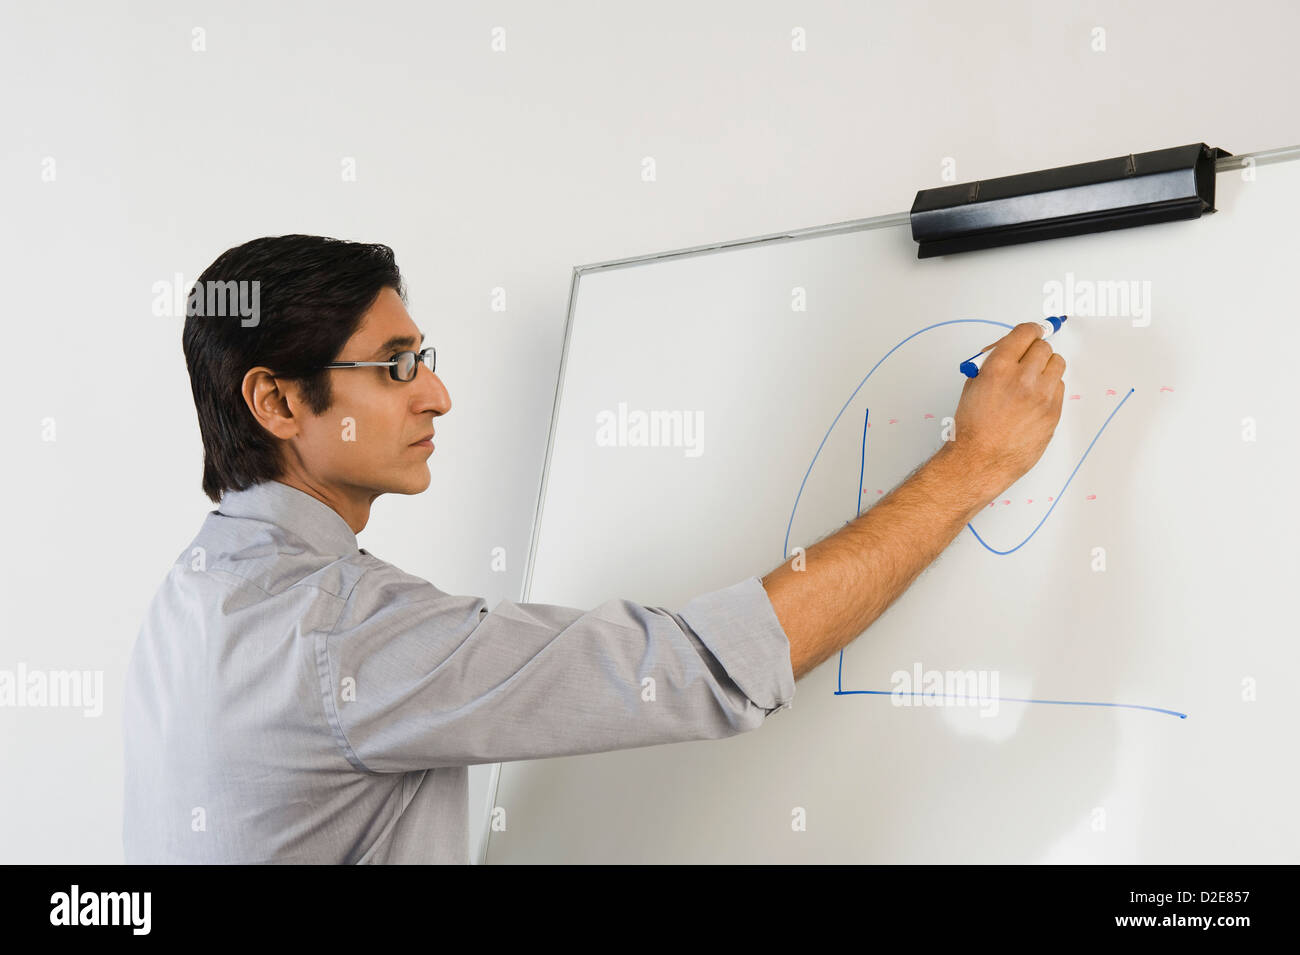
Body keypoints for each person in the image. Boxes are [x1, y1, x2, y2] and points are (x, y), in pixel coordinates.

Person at [122, 234, 1065, 864]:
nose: (437, 395)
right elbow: (703, 671)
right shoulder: (344, 635)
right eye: (397, 366)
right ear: (279, 402)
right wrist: (974, 463)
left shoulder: (196, 591)